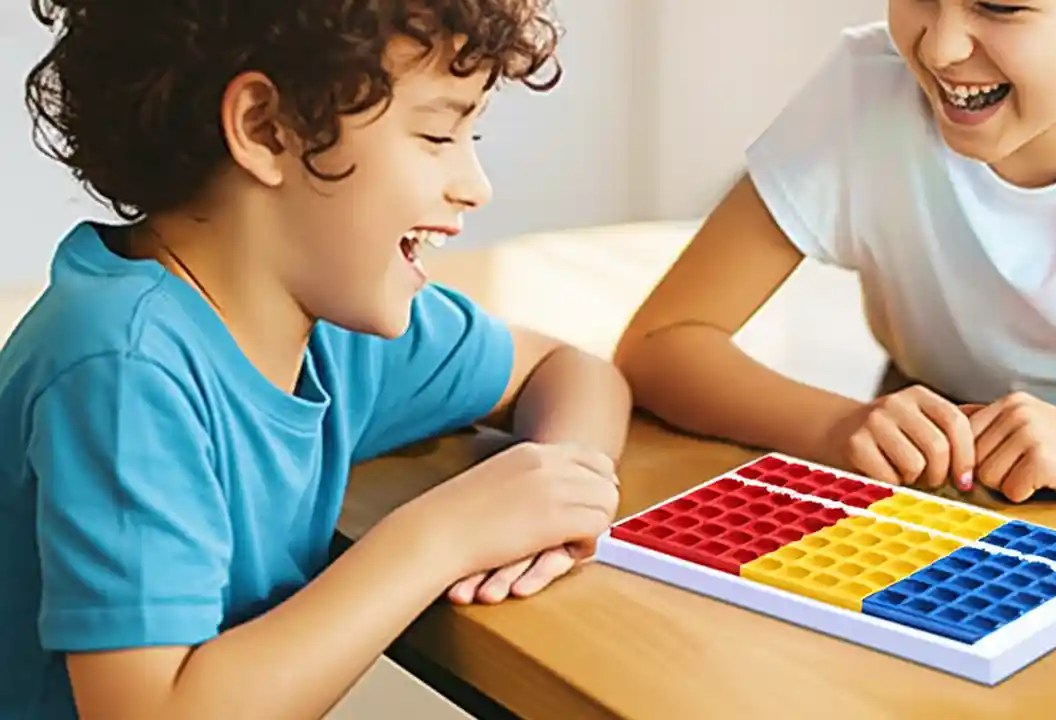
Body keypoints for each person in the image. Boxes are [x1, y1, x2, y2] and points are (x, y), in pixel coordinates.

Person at [0, 1, 632, 718]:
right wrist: (445, 535)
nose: (476, 185)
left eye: (471, 133)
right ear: (267, 129)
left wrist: (554, 491)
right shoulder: (121, 367)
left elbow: (571, 371)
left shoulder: (337, 326)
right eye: (436, 134)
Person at [615, 0, 1056, 505]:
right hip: (933, 479)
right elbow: (661, 343)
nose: (940, 44)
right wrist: (836, 427)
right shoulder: (862, 100)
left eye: (999, 5)